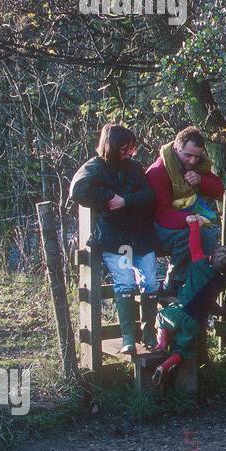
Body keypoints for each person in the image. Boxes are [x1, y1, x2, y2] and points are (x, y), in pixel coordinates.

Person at [70, 125, 159, 355]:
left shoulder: (135, 168)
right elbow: (78, 190)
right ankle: (128, 338)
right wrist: (108, 197)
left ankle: (149, 334)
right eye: (125, 148)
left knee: (150, 282)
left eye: (131, 148)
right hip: (118, 241)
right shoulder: (95, 167)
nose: (129, 152)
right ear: (112, 146)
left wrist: (126, 201)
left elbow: (149, 196)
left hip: (141, 238)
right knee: (125, 283)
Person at [152, 215, 226, 388]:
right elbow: (212, 304)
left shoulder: (199, 264)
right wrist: (223, 311)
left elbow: (194, 245)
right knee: (183, 350)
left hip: (179, 312)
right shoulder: (221, 282)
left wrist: (194, 225)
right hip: (195, 323)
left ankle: (161, 344)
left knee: (161, 316)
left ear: (211, 257)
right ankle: (164, 366)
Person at [145, 126, 225, 295]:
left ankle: (200, 286)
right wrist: (190, 219)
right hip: (157, 226)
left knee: (209, 234)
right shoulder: (158, 171)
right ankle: (173, 284)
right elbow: (161, 214)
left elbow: (219, 190)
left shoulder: (198, 166)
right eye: (188, 155)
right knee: (189, 234)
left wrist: (201, 180)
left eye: (197, 156)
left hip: (184, 218)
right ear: (176, 148)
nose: (193, 161)